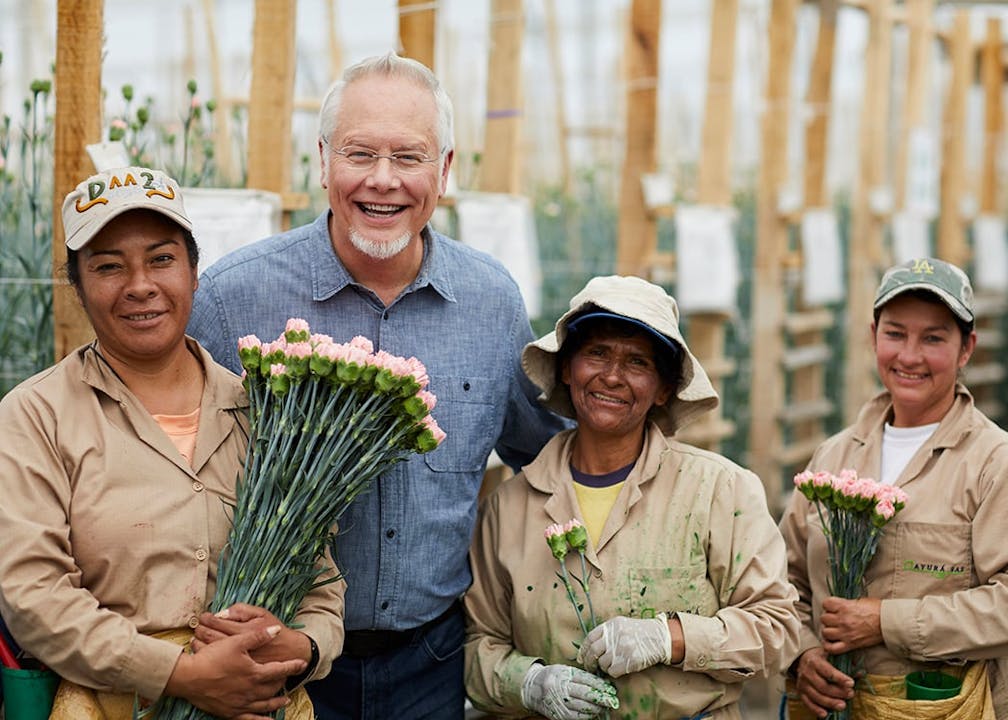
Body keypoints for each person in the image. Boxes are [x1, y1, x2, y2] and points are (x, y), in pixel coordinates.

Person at [186, 53, 566, 719]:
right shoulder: (232, 298)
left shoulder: (491, 303)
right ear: (324, 160)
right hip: (267, 662)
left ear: (445, 171)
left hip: (433, 662)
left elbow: (551, 459)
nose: (383, 181)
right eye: (360, 154)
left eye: (409, 157)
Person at [0, 166, 345, 720]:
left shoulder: (268, 417)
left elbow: (321, 581)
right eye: (109, 267)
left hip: (259, 704)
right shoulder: (36, 416)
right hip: (108, 704)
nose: (140, 285)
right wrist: (182, 676)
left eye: (161, 259)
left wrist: (303, 647)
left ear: (194, 272)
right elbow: (34, 597)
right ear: (79, 289)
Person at [464, 274, 801, 720]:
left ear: (663, 388)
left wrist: (670, 639)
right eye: (596, 353)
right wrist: (528, 682)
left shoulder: (719, 490)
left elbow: (777, 628)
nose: (612, 376)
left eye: (637, 362)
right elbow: (476, 646)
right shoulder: (509, 508)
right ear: (567, 368)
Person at [779, 257, 1008, 719]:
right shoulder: (835, 457)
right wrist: (803, 655)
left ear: (967, 349)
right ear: (873, 336)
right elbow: (784, 581)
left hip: (933, 707)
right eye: (896, 333)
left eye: (934, 338)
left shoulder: (992, 462)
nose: (909, 356)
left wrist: (885, 621)